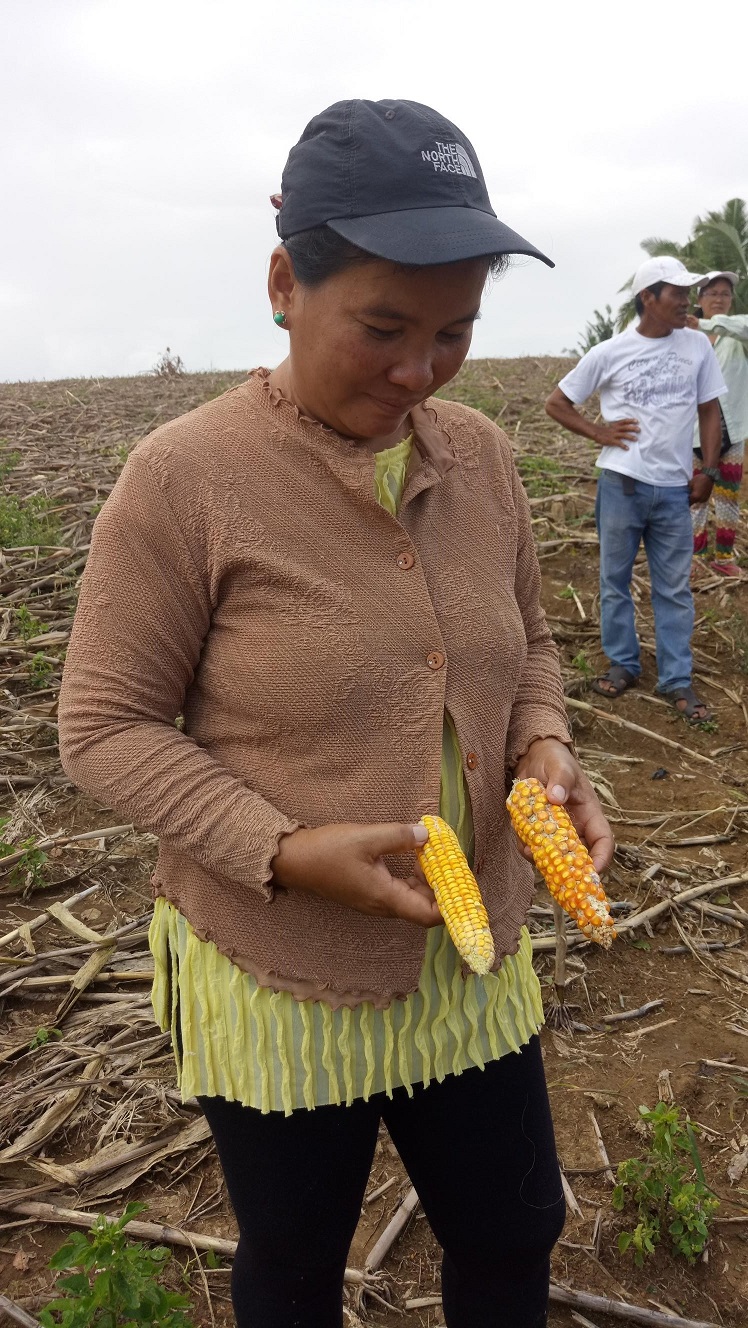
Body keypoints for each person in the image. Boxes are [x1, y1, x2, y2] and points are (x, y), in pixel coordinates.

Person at [58, 98, 614, 1328]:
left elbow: (525, 648)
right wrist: (284, 848)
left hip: (473, 957)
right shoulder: (185, 480)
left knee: (514, 1226)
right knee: (298, 1256)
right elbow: (103, 724)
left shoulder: (478, 456)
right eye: (382, 326)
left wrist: (545, 749)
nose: (419, 370)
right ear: (282, 283)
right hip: (282, 965)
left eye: (454, 331)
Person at [545, 255, 726, 725]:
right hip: (622, 483)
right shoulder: (611, 351)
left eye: (688, 291)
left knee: (673, 588)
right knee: (614, 582)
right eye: (676, 292)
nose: (686, 300)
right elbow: (557, 402)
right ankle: (623, 663)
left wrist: (708, 467)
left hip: (673, 489)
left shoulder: (697, 347)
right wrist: (599, 433)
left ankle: (676, 678)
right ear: (648, 298)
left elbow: (710, 410)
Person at [688, 270, 748, 577]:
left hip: (733, 430)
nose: (719, 299)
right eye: (712, 293)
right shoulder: (688, 336)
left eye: (725, 294)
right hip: (692, 431)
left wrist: (703, 323)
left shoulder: (739, 332)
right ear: (699, 299)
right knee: (694, 497)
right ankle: (696, 558)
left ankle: (724, 558)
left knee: (727, 496)